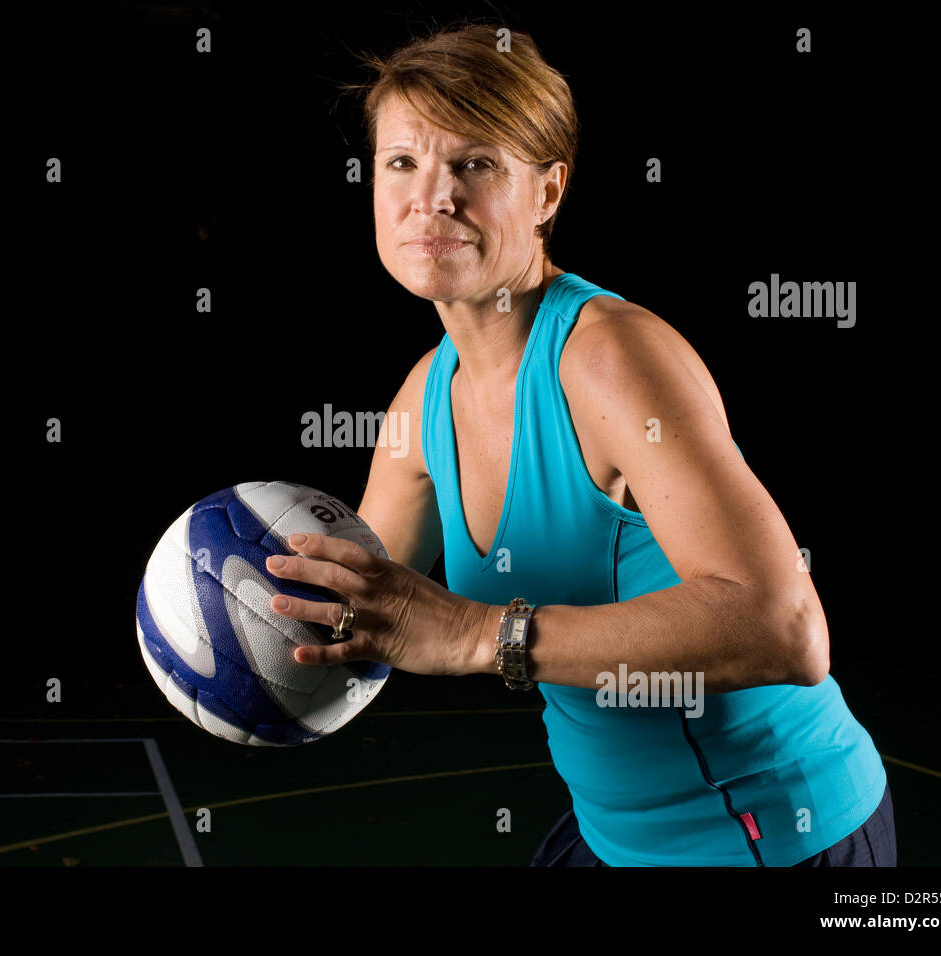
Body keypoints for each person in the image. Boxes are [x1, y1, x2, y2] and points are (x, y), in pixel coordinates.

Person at [262, 23, 894, 866]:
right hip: (611, 834)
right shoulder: (424, 398)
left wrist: (481, 635)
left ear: (548, 193)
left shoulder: (607, 359)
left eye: (476, 165)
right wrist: (233, 624)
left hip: (762, 834)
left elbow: (785, 630)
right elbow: (363, 608)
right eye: (402, 164)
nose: (433, 197)